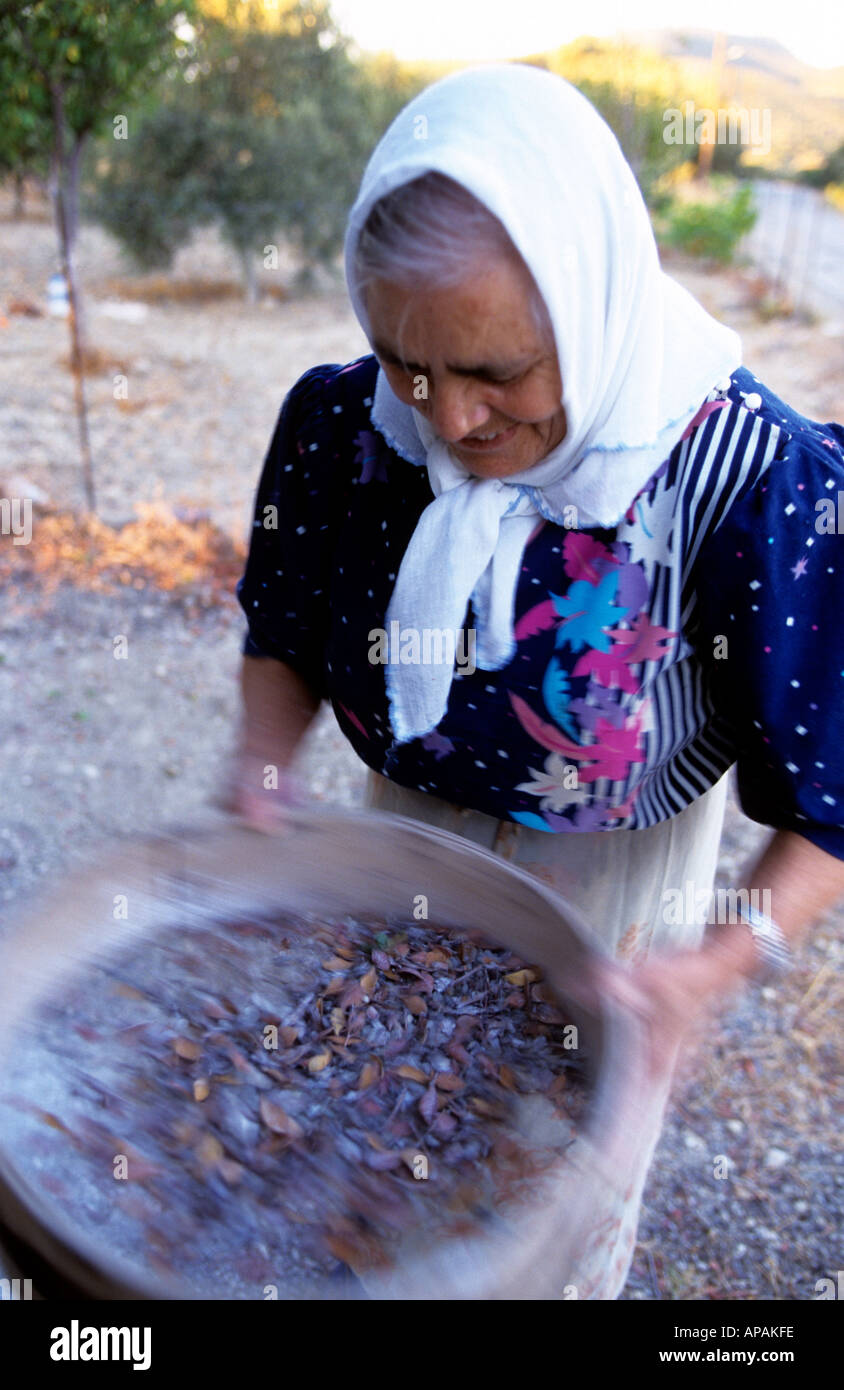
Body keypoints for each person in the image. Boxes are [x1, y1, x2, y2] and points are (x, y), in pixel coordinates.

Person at [230, 63, 844, 1297]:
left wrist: (709, 971)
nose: (448, 419)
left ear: (592, 301)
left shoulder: (746, 485)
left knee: (539, 1220)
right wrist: (256, 776)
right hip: (396, 845)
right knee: (378, 1158)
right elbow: (286, 633)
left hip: (612, 889)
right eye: (408, 361)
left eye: (496, 373)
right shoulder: (349, 429)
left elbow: (826, 806)